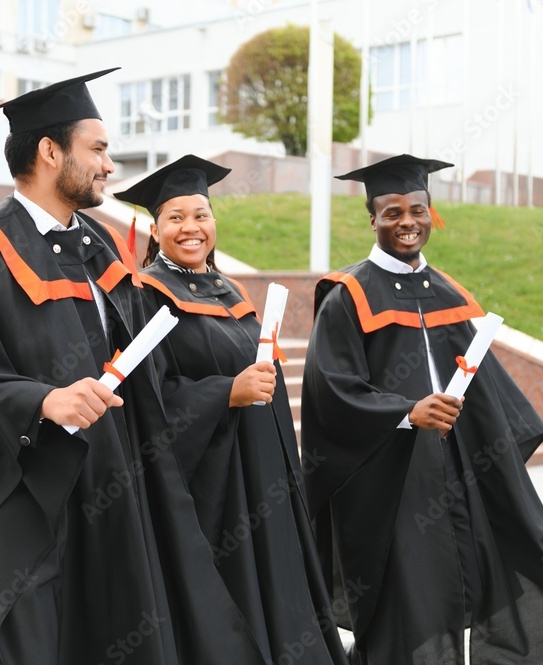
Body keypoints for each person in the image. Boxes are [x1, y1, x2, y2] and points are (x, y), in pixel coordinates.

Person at [0, 71, 267, 664]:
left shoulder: (101, 245)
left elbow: (147, 374)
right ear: (51, 153)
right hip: (26, 505)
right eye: (98, 150)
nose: (109, 166)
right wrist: (41, 401)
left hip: (111, 495)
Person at [302, 154, 543, 665]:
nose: (408, 222)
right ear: (372, 218)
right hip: (389, 479)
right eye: (393, 212)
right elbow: (331, 389)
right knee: (403, 600)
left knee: (471, 579)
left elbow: (484, 386)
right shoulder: (348, 295)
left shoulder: (448, 293)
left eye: (417, 210)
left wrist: (499, 454)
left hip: (456, 474)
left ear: (431, 212)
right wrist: (405, 411)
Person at [113, 154, 348, 665]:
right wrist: (225, 393)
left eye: (201, 215)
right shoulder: (146, 296)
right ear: (155, 228)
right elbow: (148, 399)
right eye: (176, 218)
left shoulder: (231, 292)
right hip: (212, 489)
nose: (191, 228)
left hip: (263, 475)